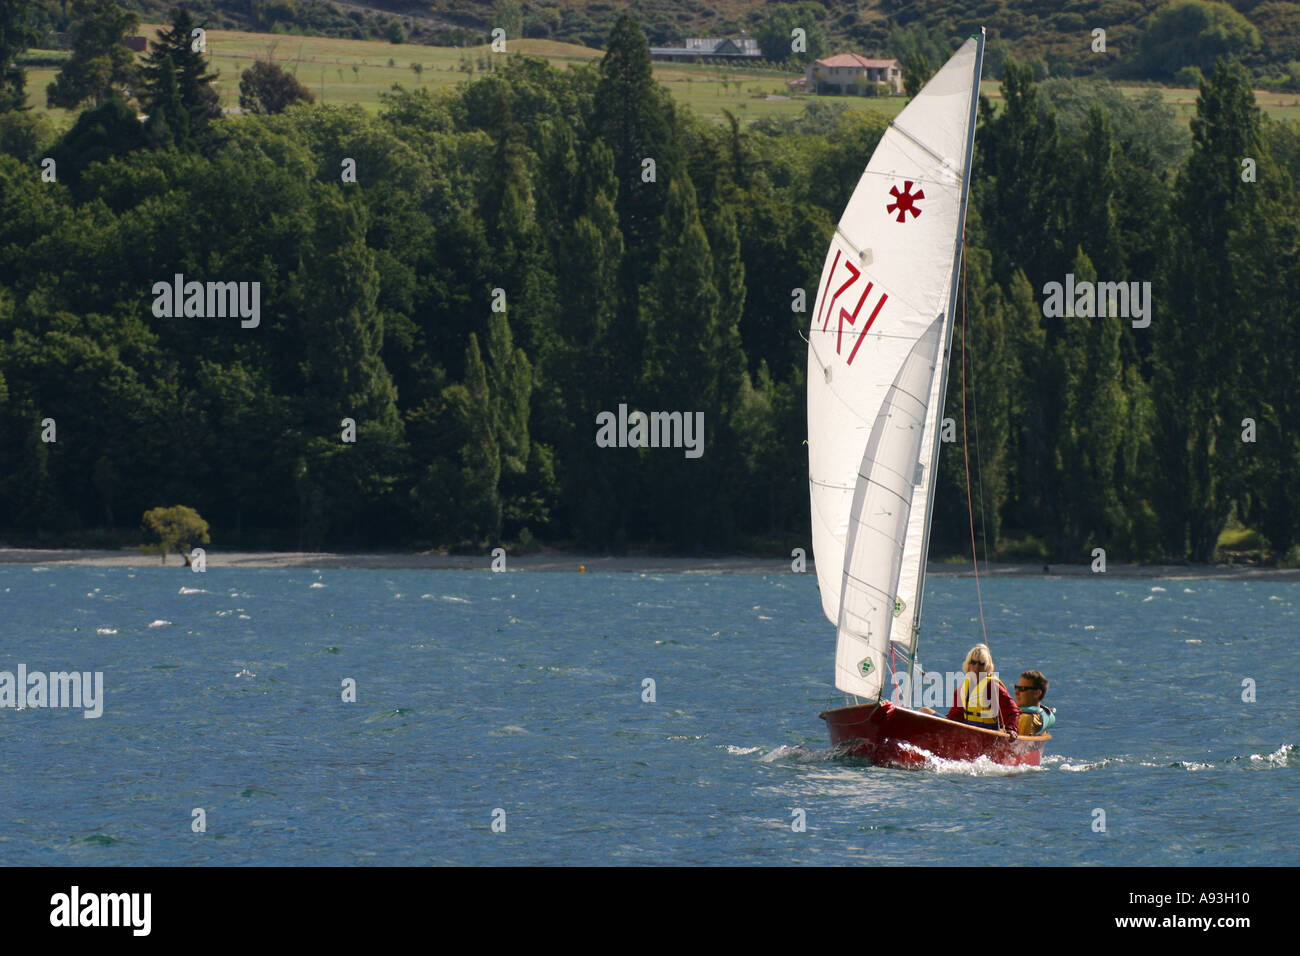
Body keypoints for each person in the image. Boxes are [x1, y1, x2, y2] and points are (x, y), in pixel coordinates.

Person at [945, 643, 1018, 738]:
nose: (976, 667)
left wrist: (1011, 729)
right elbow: (955, 716)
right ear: (968, 664)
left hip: (987, 734)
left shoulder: (992, 686)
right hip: (967, 732)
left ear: (987, 667)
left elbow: (1012, 712)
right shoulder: (963, 687)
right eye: (973, 662)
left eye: (981, 664)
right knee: (925, 711)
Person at [1015, 670, 1056, 736]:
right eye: (1016, 688)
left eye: (1022, 689)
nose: (1016, 693)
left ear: (1037, 693)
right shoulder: (1041, 715)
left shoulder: (1026, 719)